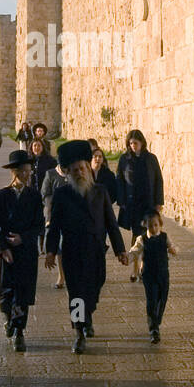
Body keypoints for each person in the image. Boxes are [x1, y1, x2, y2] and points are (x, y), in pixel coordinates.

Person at [45, 140, 128, 354]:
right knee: (76, 294)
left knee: (93, 290)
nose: (79, 172)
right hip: (72, 252)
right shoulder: (62, 195)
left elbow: (111, 223)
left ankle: (87, 315)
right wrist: (51, 251)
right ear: (69, 173)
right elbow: (54, 226)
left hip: (96, 251)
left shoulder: (100, 192)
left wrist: (120, 250)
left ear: (88, 168)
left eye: (82, 168)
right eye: (74, 170)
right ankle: (79, 332)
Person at [0, 150, 44, 353]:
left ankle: (19, 333)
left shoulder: (34, 196)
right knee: (3, 291)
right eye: (23, 171)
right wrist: (2, 248)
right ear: (15, 172)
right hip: (6, 252)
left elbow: (39, 225)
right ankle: (8, 319)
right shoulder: (2, 196)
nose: (27, 175)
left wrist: (24, 238)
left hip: (26, 251)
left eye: (29, 171)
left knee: (22, 293)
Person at [116, 129, 164, 278]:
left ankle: (144, 266)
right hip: (133, 204)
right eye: (130, 143)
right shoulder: (125, 159)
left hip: (148, 204)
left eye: (135, 143)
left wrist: (158, 203)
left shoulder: (151, 159)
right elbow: (120, 180)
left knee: (149, 235)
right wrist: (121, 200)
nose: (133, 146)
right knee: (137, 236)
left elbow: (158, 180)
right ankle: (135, 268)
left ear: (141, 143)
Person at [129, 212, 177, 343]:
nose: (154, 228)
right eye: (151, 226)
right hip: (149, 274)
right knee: (152, 300)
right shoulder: (142, 239)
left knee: (162, 298)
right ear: (146, 226)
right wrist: (126, 258)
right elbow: (135, 251)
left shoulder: (164, 237)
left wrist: (173, 250)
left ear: (160, 225)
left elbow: (172, 247)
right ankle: (153, 329)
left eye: (156, 225)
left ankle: (157, 319)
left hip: (163, 273)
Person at [40, 156, 69, 288]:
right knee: (60, 248)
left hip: (71, 216)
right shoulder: (51, 174)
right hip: (55, 215)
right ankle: (61, 275)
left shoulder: (73, 173)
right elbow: (45, 193)